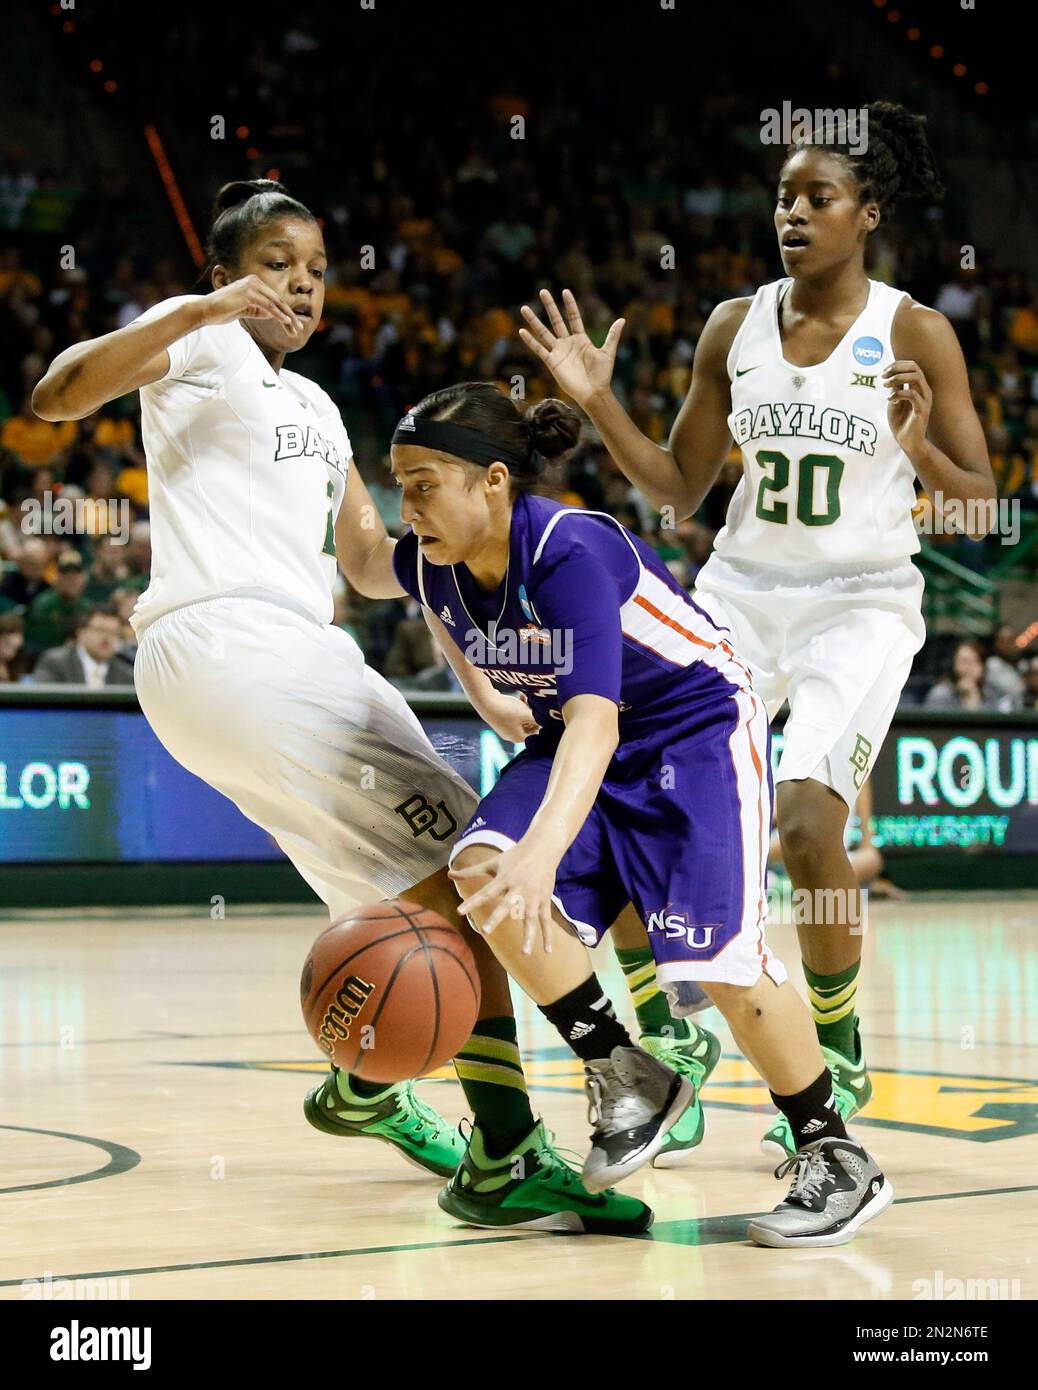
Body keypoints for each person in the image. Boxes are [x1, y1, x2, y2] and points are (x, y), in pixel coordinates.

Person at [31, 178, 660, 1235]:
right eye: (277, 263)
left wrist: (483, 585)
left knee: (397, 909)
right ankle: (508, 1152)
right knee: (467, 871)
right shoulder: (200, 346)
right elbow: (56, 394)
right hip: (234, 643)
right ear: (226, 270)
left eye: (317, 273)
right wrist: (206, 310)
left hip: (281, 660)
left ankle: (366, 1085)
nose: (302, 286)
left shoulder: (320, 409)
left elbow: (370, 562)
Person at [520, 101, 996, 1161]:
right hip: (736, 590)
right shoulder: (733, 326)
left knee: (807, 821)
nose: (793, 212)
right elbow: (678, 491)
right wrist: (600, 402)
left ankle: (837, 1040)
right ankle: (664, 1040)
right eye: (783, 196)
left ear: (865, 213)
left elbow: (981, 502)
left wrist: (920, 450)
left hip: (861, 599)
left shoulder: (917, 332)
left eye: (817, 197)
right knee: (626, 783)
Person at [381, 380, 893, 1248]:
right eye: (398, 483)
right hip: (578, 736)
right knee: (481, 875)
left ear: (494, 482)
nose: (408, 503)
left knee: (718, 959)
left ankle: (834, 1153)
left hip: (688, 729)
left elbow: (595, 719)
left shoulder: (572, 548)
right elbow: (375, 567)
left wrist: (545, 850)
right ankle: (627, 1068)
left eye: (424, 482)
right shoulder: (428, 559)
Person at [31, 603, 135, 686]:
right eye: (100, 630)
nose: (106, 638)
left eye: (113, 632)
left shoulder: (127, 674)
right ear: (81, 633)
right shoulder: (55, 663)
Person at [924, 639, 1017, 712]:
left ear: (982, 666)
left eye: (974, 661)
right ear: (954, 664)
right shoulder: (940, 693)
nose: (968, 668)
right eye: (964, 661)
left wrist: (974, 700)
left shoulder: (997, 694)